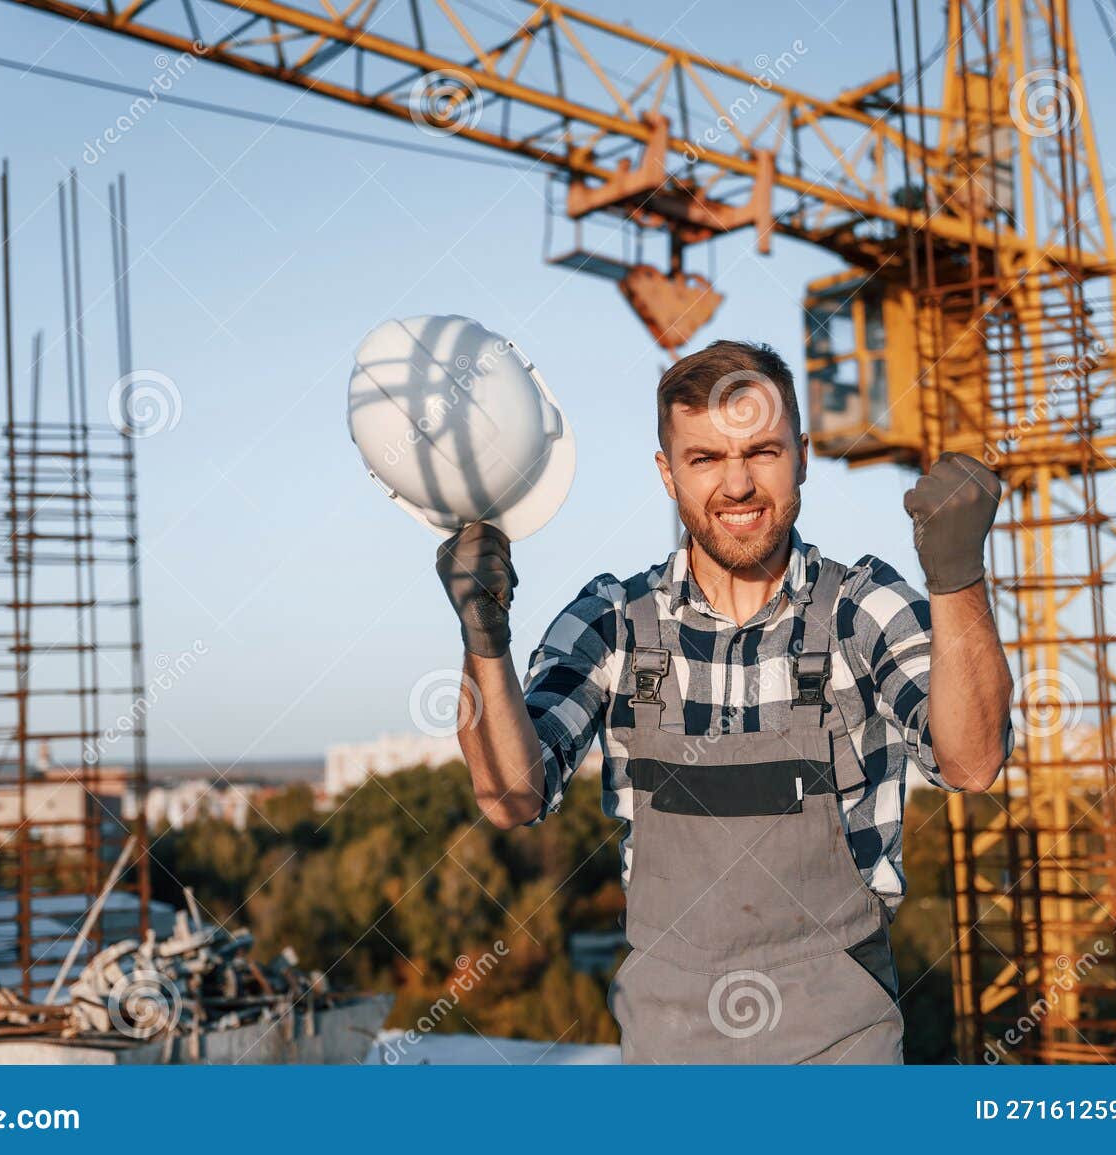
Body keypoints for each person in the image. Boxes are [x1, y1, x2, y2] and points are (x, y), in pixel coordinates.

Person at [434, 339, 1013, 1063]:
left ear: (802, 456)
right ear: (667, 473)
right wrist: (483, 639)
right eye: (705, 458)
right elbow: (511, 795)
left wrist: (957, 576)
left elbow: (972, 761)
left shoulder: (860, 608)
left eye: (762, 451)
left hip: (841, 1057)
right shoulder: (614, 622)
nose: (737, 485)